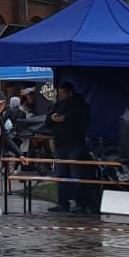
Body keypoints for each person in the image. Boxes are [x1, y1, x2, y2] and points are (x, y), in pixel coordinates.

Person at [47, 81, 94, 214]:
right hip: (60, 144)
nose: (60, 95)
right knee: (60, 174)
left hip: (74, 144)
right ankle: (62, 203)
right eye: (59, 93)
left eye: (63, 93)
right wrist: (52, 118)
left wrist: (66, 119)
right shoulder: (57, 105)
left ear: (70, 92)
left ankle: (81, 203)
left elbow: (83, 122)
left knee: (77, 174)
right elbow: (47, 121)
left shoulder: (81, 105)